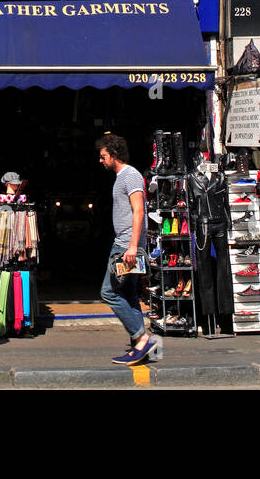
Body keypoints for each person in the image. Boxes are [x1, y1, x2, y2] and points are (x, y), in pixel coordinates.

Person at [98, 134, 154, 365]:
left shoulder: (130, 175)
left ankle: (142, 338)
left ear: (114, 154)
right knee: (129, 294)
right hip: (127, 243)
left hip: (125, 246)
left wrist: (132, 246)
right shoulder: (122, 176)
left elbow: (138, 210)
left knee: (109, 292)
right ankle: (139, 345)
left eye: (103, 156)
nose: (101, 160)